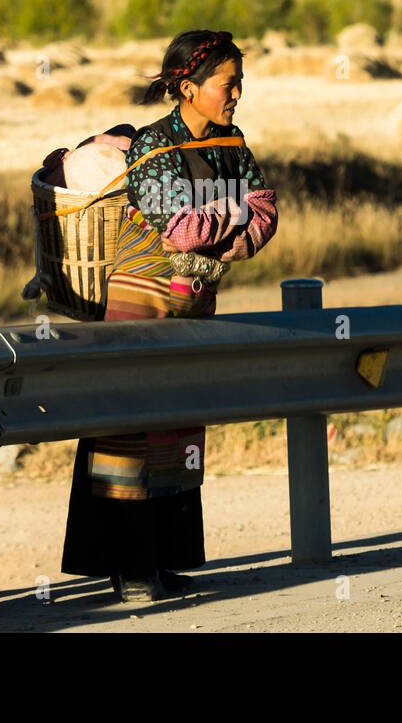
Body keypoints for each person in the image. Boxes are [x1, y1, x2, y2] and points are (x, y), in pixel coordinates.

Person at [60, 29, 279, 602]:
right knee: (129, 436)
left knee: (177, 430)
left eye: (238, 84)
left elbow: (265, 208)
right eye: (227, 84)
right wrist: (236, 218)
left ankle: (159, 562)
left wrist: (231, 224)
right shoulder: (154, 149)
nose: (236, 94)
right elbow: (176, 227)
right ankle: (129, 569)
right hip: (140, 302)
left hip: (192, 305)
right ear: (188, 87)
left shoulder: (231, 143)